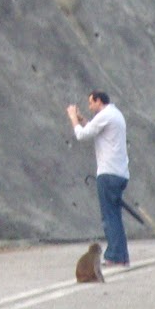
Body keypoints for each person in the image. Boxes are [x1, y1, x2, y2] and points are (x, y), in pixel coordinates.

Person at [65, 90, 130, 268]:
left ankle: (115, 255)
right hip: (119, 173)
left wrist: (73, 118)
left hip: (108, 173)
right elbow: (93, 129)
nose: (90, 106)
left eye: (91, 103)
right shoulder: (114, 115)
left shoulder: (106, 115)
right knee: (115, 216)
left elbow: (82, 135)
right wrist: (81, 119)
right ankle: (122, 255)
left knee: (109, 217)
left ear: (99, 101)